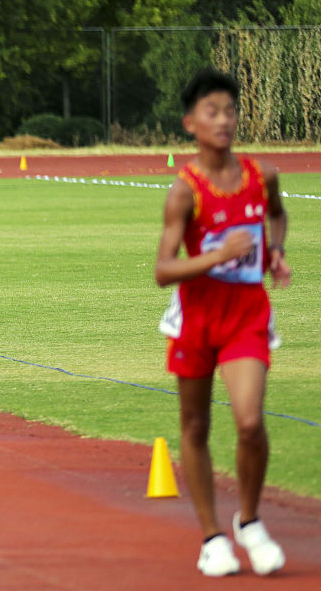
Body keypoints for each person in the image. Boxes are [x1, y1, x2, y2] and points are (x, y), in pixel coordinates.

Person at [154, 67, 290, 578]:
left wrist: (276, 251)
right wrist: (217, 256)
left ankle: (249, 521)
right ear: (191, 122)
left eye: (230, 110)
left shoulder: (262, 176)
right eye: (213, 111)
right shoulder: (183, 192)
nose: (224, 120)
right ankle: (212, 537)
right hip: (197, 316)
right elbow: (163, 270)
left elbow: (276, 215)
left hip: (246, 316)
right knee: (195, 424)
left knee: (250, 422)